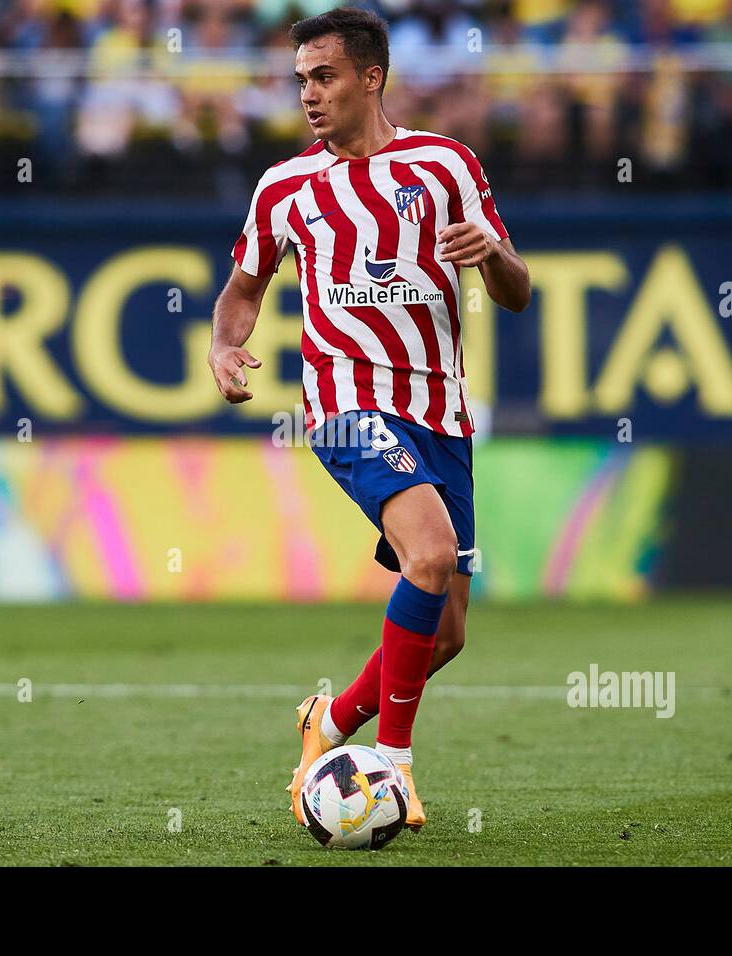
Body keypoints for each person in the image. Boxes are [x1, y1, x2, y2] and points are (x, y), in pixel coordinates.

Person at [207, 6, 531, 831]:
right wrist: (222, 346)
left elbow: (515, 291)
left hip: (440, 412)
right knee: (426, 557)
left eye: (325, 77)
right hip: (344, 405)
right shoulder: (285, 186)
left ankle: (331, 719)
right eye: (301, 81)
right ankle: (390, 769)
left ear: (371, 77)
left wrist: (492, 254)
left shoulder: (445, 164)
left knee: (447, 630)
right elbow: (243, 290)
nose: (309, 95)